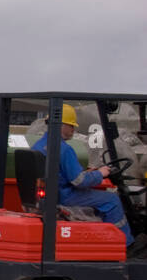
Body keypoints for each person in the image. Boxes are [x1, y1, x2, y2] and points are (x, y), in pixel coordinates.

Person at [31, 104, 132, 246]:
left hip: (54, 192)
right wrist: (101, 173)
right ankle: (124, 244)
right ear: (61, 125)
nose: (74, 129)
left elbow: (62, 173)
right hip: (66, 195)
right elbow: (80, 181)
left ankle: (101, 237)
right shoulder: (64, 149)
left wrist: (91, 173)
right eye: (71, 126)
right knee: (112, 200)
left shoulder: (39, 145)